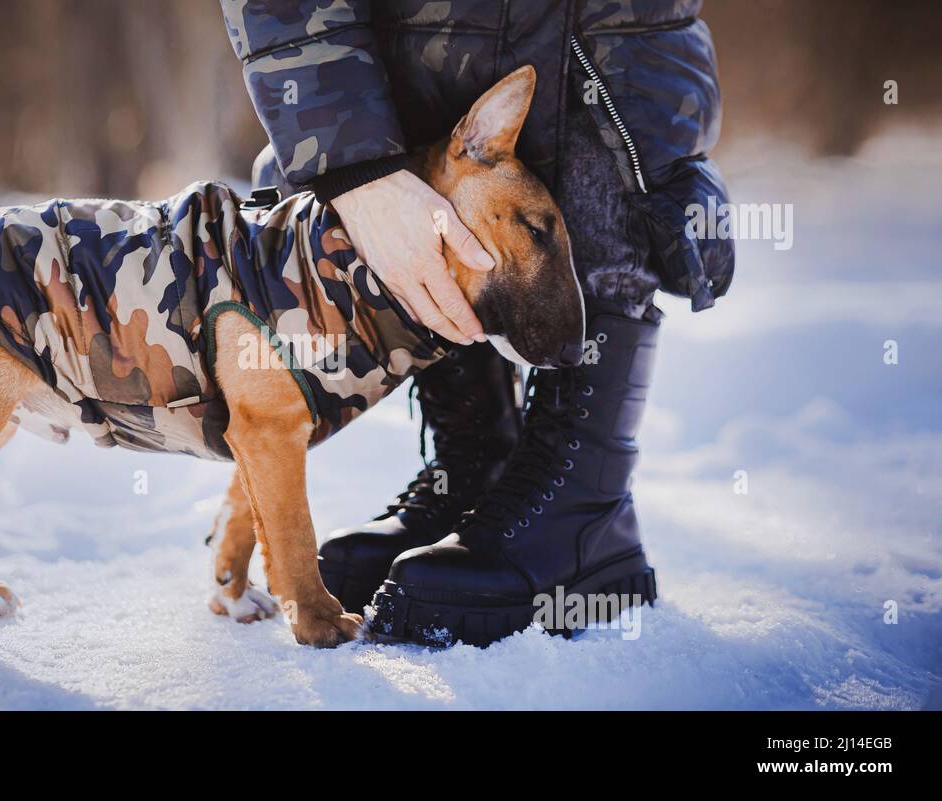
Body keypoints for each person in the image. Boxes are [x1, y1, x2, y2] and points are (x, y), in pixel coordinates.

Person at [221, 0, 734, 643]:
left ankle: (581, 511)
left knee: (604, 191)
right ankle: (473, 478)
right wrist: (350, 156)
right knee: (439, 217)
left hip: (606, 44)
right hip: (409, 47)